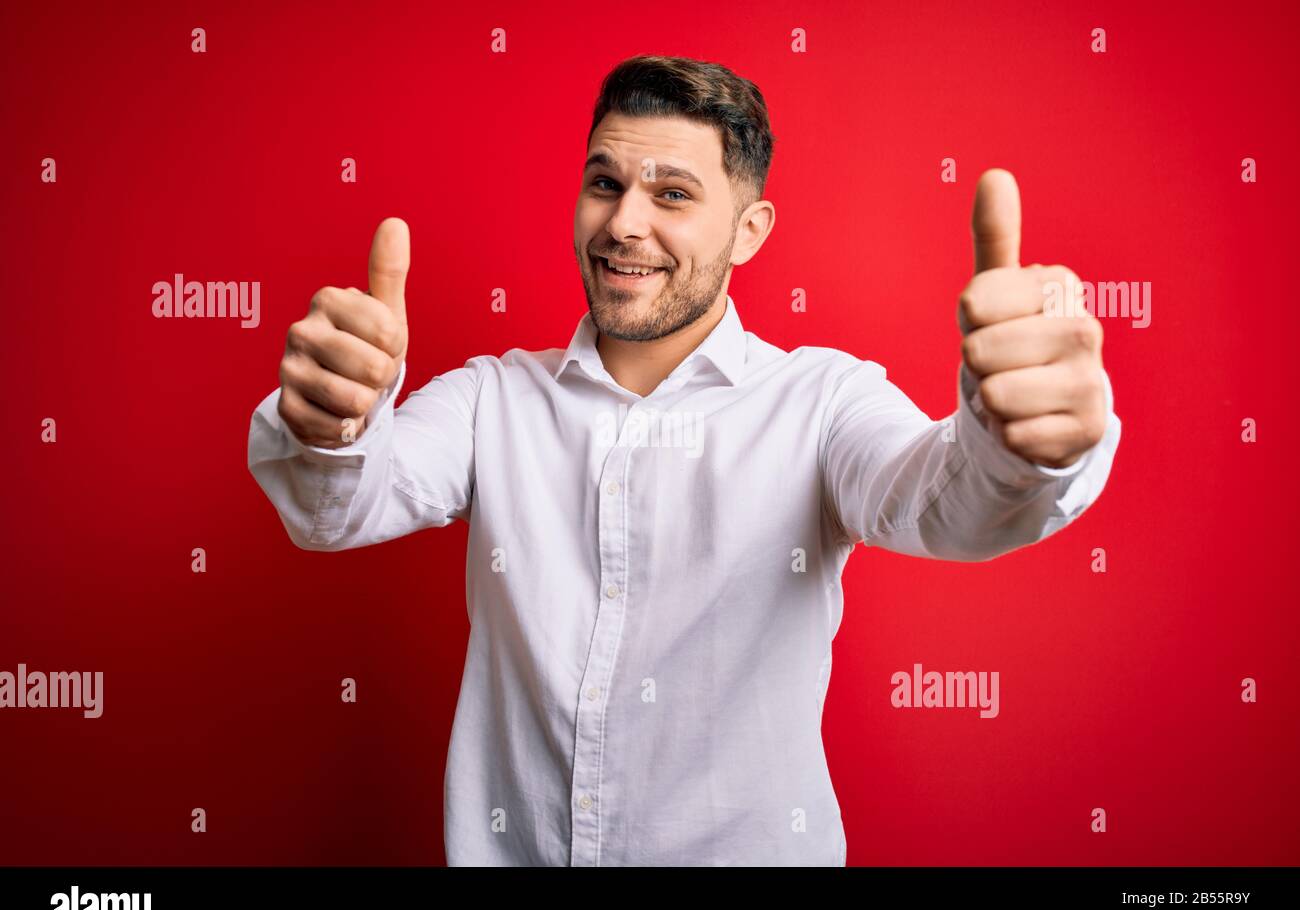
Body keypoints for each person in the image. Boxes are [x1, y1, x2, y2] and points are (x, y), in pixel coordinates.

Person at [247, 54, 1121, 866]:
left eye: (672, 194)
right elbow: (336, 510)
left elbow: (943, 502)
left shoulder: (821, 402)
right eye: (605, 183)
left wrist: (1014, 446)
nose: (624, 223)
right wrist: (332, 423)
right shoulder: (492, 398)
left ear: (748, 231)